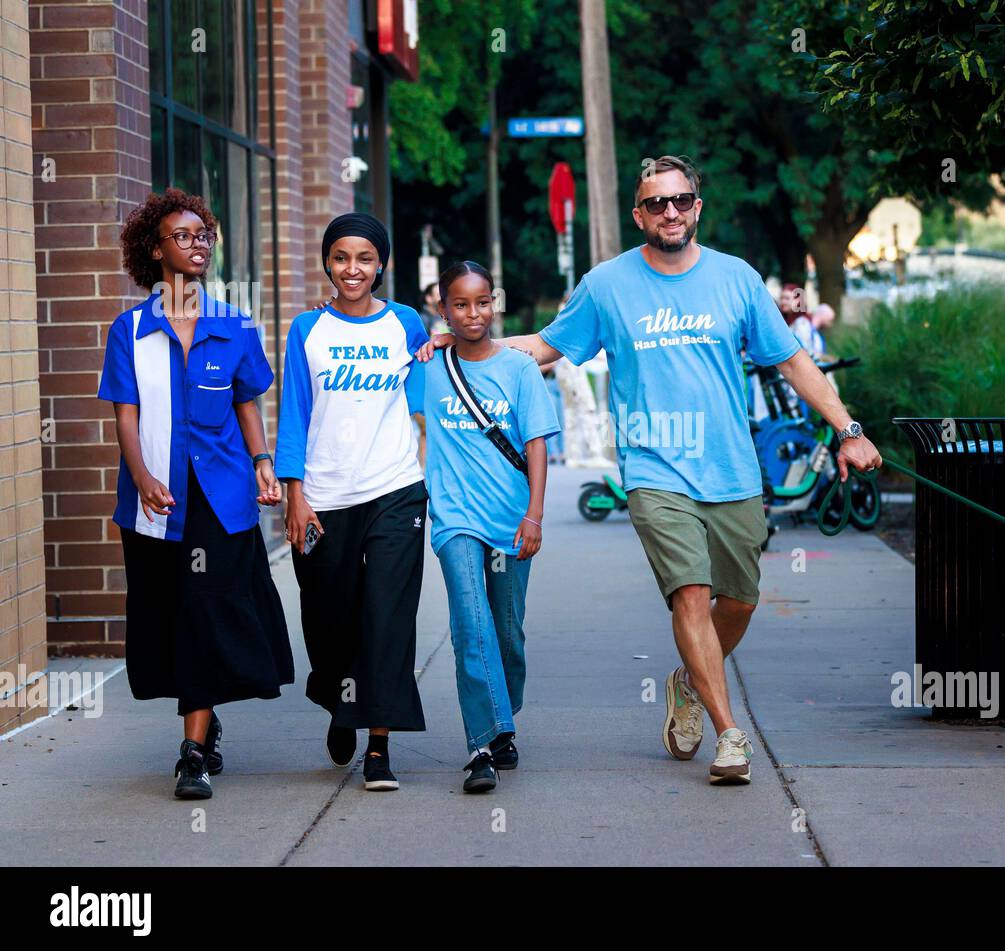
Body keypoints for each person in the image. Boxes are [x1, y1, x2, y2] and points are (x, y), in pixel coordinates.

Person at [419, 155, 882, 785]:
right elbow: (546, 349)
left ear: (698, 206)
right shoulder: (608, 284)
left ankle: (689, 683)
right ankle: (729, 734)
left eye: (681, 200)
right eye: (656, 203)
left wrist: (848, 429)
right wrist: (464, 336)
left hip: (732, 471)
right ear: (639, 214)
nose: (670, 212)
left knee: (740, 601)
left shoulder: (737, 280)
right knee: (690, 592)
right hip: (653, 469)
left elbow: (794, 362)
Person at [98, 188, 293, 800]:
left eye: (203, 234)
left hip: (222, 497)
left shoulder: (234, 325)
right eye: (182, 236)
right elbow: (126, 417)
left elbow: (247, 401)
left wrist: (263, 461)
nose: (196, 244)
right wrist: (145, 477)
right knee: (172, 611)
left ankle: (192, 752)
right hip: (158, 500)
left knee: (210, 607)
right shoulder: (130, 330)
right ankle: (202, 726)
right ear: (154, 249)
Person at [277, 212, 430, 793]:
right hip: (324, 496)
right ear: (327, 263)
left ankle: (378, 745)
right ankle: (340, 700)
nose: (352, 269)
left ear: (382, 265)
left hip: (394, 489)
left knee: (387, 618)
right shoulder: (307, 331)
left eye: (365, 258)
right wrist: (295, 494)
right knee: (327, 619)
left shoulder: (406, 323)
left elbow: (425, 383)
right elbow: (294, 412)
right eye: (341, 257)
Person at [411, 261, 559, 793]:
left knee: (507, 633)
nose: (472, 313)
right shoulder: (428, 367)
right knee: (470, 625)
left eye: (481, 302)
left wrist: (535, 514)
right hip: (454, 518)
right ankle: (481, 745)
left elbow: (538, 444)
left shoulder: (518, 369)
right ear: (443, 308)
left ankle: (502, 716)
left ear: (493, 304)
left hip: (511, 519)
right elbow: (378, 344)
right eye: (460, 304)